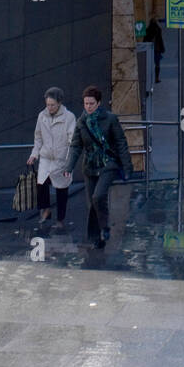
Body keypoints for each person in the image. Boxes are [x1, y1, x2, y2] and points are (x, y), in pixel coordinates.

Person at [63, 86, 132, 249]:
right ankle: (95, 236)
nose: (88, 107)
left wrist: (127, 167)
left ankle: (104, 228)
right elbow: (75, 146)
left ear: (99, 103)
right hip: (90, 165)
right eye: (86, 103)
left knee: (98, 196)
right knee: (92, 203)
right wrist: (69, 166)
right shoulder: (81, 122)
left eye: (91, 103)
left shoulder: (110, 119)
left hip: (108, 163)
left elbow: (121, 143)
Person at [28, 87, 75, 229]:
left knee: (62, 189)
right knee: (41, 183)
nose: (49, 107)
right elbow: (38, 137)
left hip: (61, 159)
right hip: (46, 157)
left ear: (59, 103)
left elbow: (71, 140)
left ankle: (60, 219)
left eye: (52, 105)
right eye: (47, 104)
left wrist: (69, 162)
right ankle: (46, 210)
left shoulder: (69, 117)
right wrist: (34, 154)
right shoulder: (42, 116)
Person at [143, 13, 165, 82]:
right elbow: (160, 40)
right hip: (157, 49)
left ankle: (149, 78)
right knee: (157, 64)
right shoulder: (158, 30)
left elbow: (145, 39)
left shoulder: (147, 30)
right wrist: (162, 48)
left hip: (150, 49)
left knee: (149, 64)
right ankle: (156, 78)